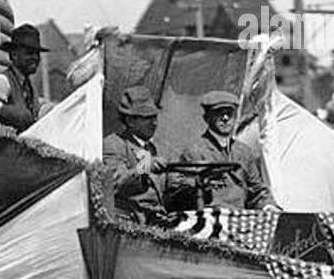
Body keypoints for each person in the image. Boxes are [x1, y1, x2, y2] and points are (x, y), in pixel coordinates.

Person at [168, 91, 280, 213]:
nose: (225, 118)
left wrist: (268, 206)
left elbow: (257, 190)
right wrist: (200, 184)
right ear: (206, 118)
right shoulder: (194, 151)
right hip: (209, 218)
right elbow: (178, 191)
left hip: (238, 218)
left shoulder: (243, 152)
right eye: (219, 113)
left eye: (229, 113)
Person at [101, 85, 169, 225]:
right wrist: (144, 167)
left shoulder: (153, 148)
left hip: (157, 221)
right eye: (147, 118)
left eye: (155, 117)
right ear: (130, 121)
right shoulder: (113, 144)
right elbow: (115, 183)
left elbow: (167, 188)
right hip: (130, 221)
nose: (154, 123)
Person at [0, 23, 45, 132]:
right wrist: (17, 115)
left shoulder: (31, 89)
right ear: (14, 55)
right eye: (29, 53)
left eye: (37, 54)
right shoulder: (1, 81)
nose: (35, 58)